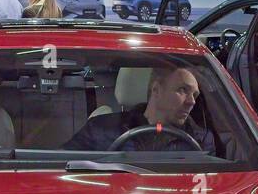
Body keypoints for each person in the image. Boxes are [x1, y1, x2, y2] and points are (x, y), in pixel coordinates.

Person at [65, 64, 216, 154]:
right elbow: (62, 165)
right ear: (156, 89)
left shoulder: (200, 139)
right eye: (183, 90)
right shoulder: (100, 129)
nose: (192, 102)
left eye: (195, 95)